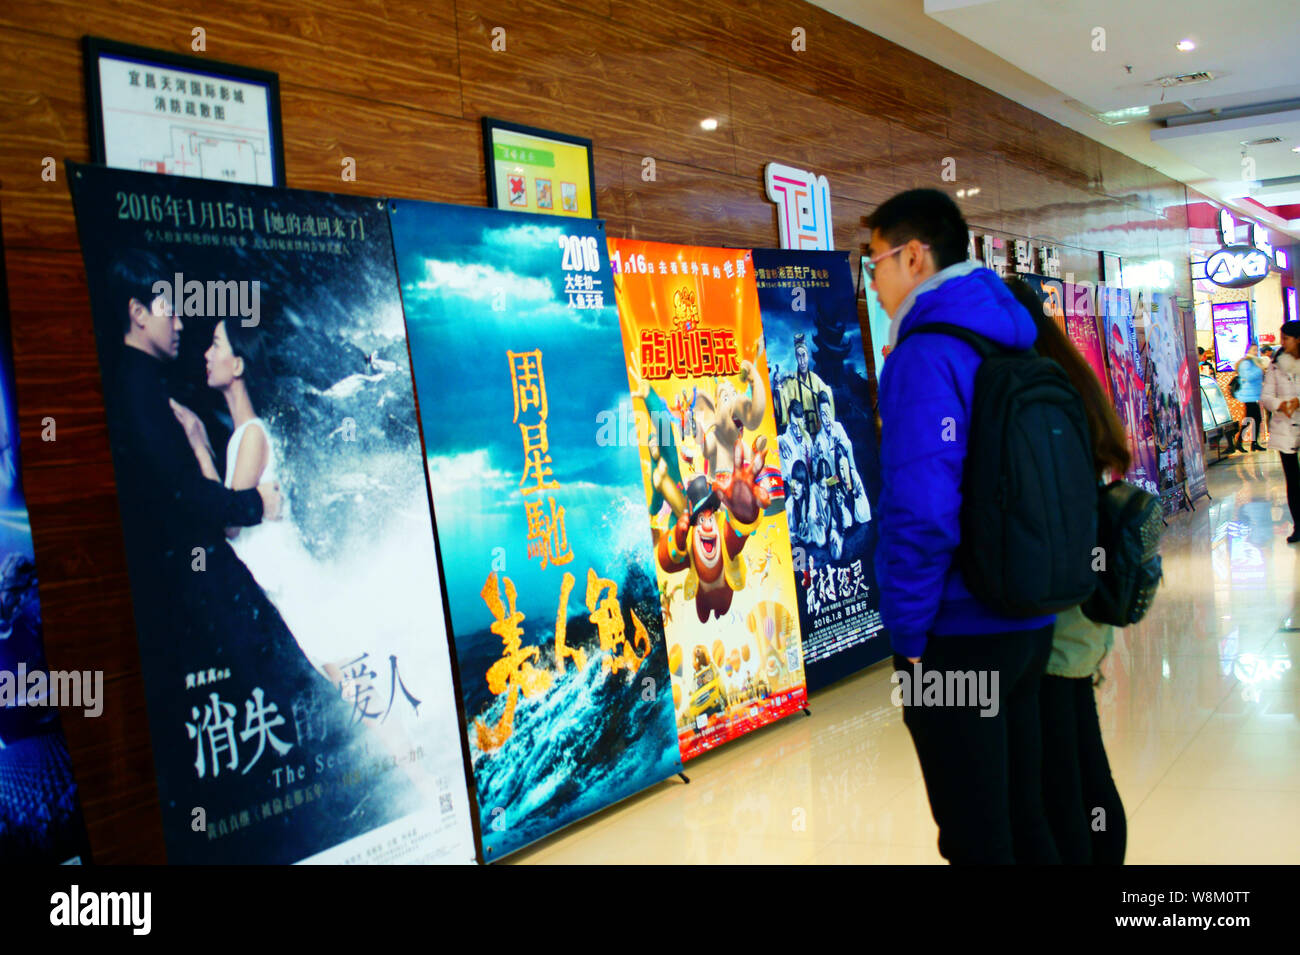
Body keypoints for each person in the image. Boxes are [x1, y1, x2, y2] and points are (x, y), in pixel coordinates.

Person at [867, 188, 1059, 864]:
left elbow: (921, 508)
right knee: (1023, 812)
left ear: (914, 256)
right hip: (1028, 615)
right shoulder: (1008, 331)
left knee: (975, 832)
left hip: (957, 628)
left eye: (876, 262)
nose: (876, 280)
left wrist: (910, 634)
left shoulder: (925, 352)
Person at [1006, 278, 1128, 864]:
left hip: (1059, 604)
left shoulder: (1033, 393)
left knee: (1067, 776)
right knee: (1081, 756)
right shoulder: (1068, 380)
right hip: (1083, 596)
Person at [1261, 321, 1300, 543]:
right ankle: (1299, 526)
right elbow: (1266, 396)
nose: (1282, 342)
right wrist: (1280, 404)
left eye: (1286, 338)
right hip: (1285, 429)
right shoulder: (1275, 365)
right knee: (1293, 481)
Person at [1234, 344, 1266, 452]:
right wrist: (1260, 370)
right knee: (1252, 419)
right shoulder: (1245, 363)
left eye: (1257, 350)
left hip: (1253, 395)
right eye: (1253, 350)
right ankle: (1243, 442)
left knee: (1253, 419)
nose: (1255, 352)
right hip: (1248, 395)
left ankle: (1250, 443)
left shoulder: (1253, 362)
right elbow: (1248, 377)